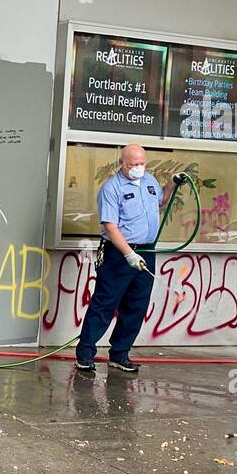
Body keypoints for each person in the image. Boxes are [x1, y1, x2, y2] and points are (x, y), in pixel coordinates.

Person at [74, 145, 185, 375]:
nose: (138, 168)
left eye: (141, 163)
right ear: (122, 163)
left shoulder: (149, 180)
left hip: (147, 252)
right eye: (133, 164)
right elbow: (110, 226)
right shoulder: (111, 188)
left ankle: (120, 354)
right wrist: (128, 254)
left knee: (136, 304)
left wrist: (173, 183)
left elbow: (161, 200)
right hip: (119, 254)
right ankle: (85, 354)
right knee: (105, 303)